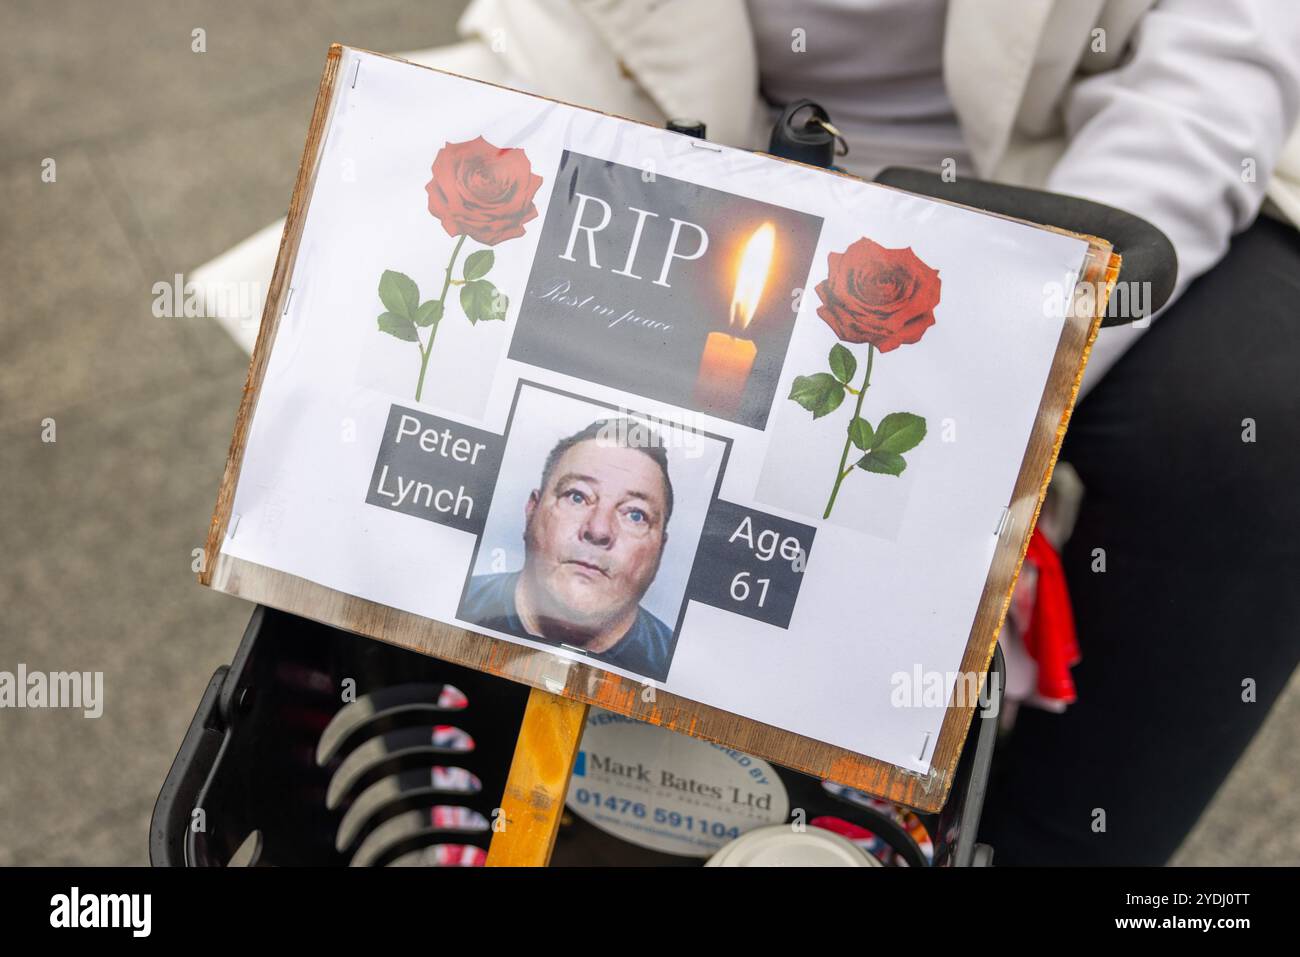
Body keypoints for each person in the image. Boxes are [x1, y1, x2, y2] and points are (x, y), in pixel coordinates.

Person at [197, 0, 1300, 863]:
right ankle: (454, 782)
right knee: (367, 325)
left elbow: (1212, 76)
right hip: (668, 114)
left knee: (1255, 421)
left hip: (1067, 170)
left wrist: (1006, 358)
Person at [462, 419, 676, 681]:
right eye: (577, 497)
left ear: (660, 550)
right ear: (532, 510)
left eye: (635, 515)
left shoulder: (677, 670)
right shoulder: (449, 603)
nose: (598, 530)